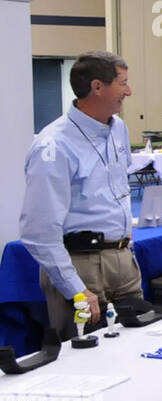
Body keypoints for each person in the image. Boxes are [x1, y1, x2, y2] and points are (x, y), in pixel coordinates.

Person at [21, 51, 139, 339]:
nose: (129, 91)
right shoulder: (54, 146)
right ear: (97, 87)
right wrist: (76, 289)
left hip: (122, 259)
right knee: (86, 360)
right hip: (81, 265)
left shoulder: (117, 129)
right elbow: (39, 231)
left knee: (139, 349)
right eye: (122, 83)